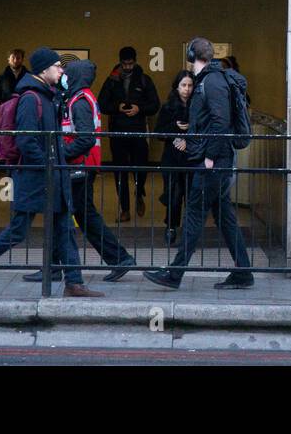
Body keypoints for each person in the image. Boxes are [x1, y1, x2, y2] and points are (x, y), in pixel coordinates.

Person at [0, 47, 101, 297]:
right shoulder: (31, 99)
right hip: (37, 176)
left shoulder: (45, 95)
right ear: (44, 70)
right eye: (57, 66)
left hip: (48, 174)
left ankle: (74, 282)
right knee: (18, 230)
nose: (61, 70)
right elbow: (26, 141)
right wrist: (48, 164)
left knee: (64, 226)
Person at [144, 37, 254, 291]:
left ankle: (174, 273)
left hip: (213, 161)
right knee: (225, 217)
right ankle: (244, 272)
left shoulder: (212, 82)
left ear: (191, 55)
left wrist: (210, 156)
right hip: (215, 159)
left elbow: (220, 121)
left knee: (193, 214)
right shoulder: (210, 80)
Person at [23, 59, 135, 283]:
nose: (63, 74)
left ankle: (116, 258)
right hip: (81, 165)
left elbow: (85, 138)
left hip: (79, 166)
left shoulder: (80, 101)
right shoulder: (79, 98)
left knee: (71, 214)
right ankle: (59, 266)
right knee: (73, 214)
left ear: (75, 77)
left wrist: (62, 153)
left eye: (67, 72)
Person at [98, 46, 161, 221]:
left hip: (138, 131)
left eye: (130, 64)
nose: (127, 67)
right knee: (120, 172)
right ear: (120, 62)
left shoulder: (144, 80)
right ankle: (124, 209)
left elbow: (155, 104)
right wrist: (116, 107)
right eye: (124, 64)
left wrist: (139, 109)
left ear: (135, 62)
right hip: (118, 132)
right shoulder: (111, 80)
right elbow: (101, 103)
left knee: (140, 168)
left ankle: (139, 191)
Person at [154, 70, 196, 245]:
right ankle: (171, 227)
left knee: (191, 195)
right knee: (174, 194)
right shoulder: (168, 107)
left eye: (190, 85)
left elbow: (204, 130)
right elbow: (159, 132)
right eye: (183, 85)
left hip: (192, 158)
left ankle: (189, 231)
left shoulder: (198, 107)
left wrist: (188, 140)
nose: (186, 89)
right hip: (172, 157)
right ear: (177, 87)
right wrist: (174, 129)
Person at [0, 48, 27, 113]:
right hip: (7, 114)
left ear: (22, 60)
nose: (15, 60)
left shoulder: (30, 77)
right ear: (8, 59)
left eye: (18, 58)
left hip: (26, 113)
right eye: (13, 58)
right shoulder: (1, 79)